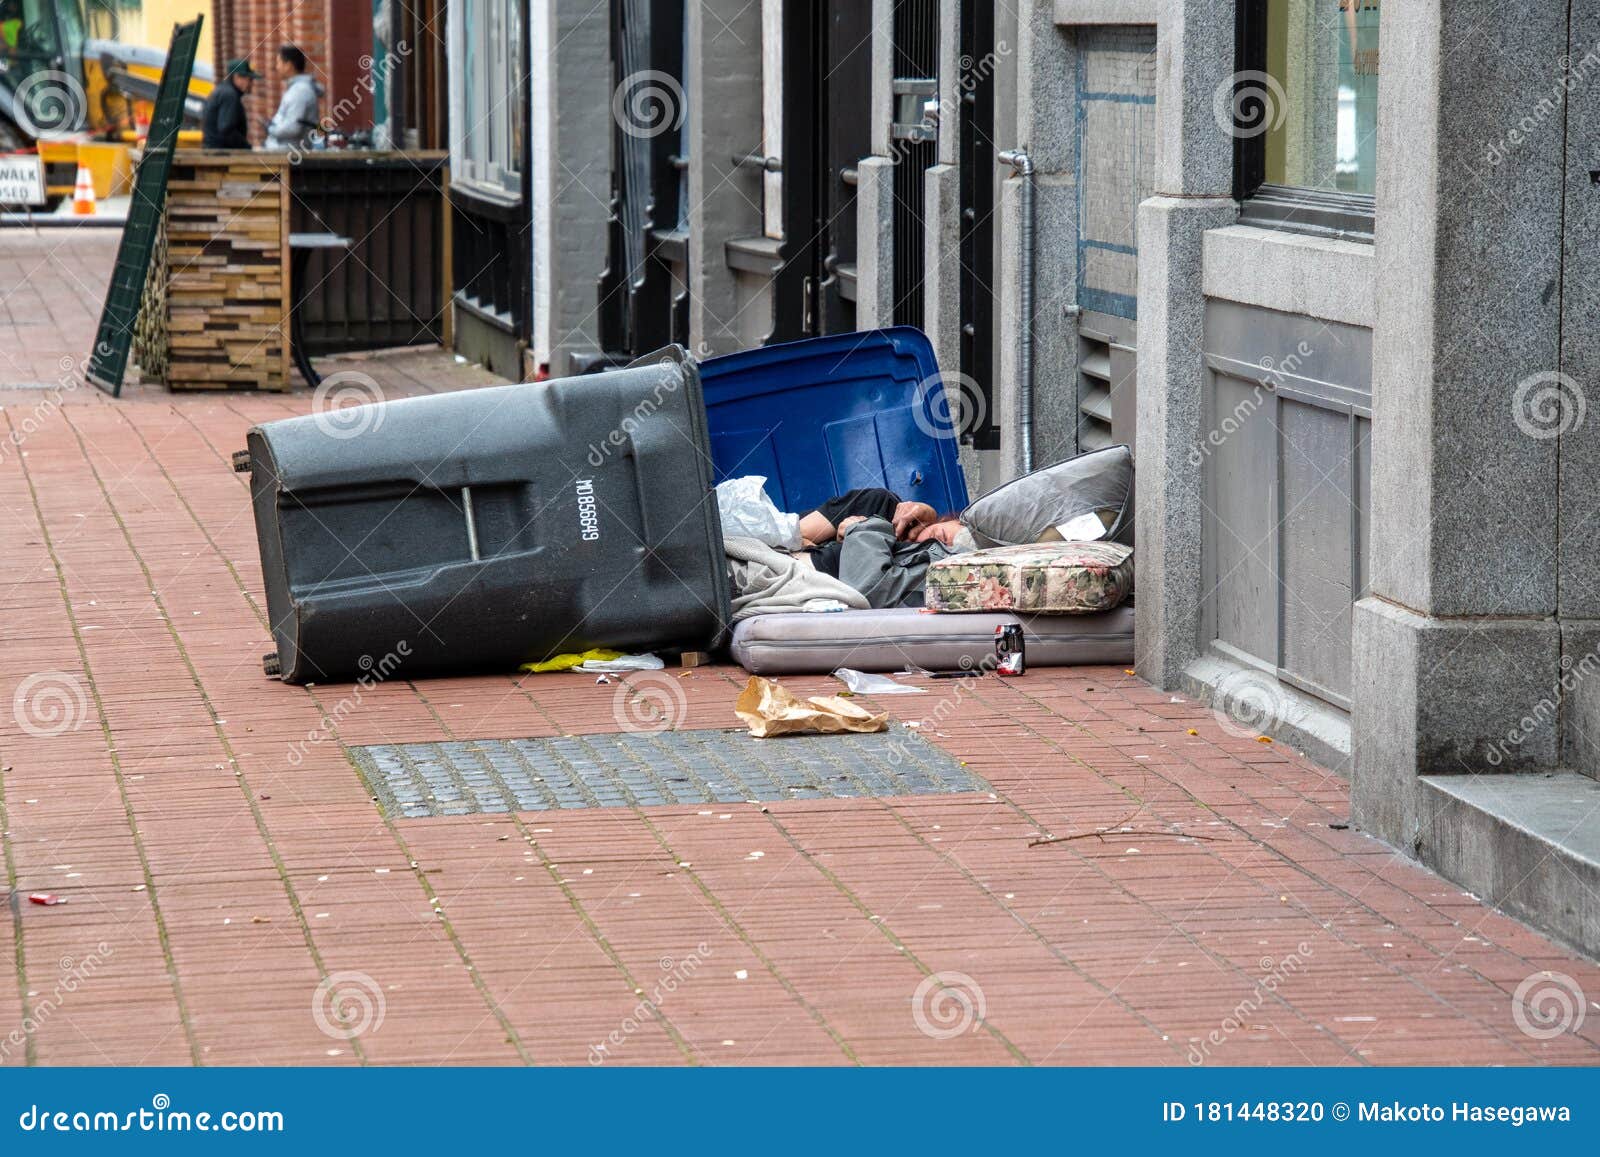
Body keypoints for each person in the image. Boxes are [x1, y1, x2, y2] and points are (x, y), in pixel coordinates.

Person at [264, 43, 323, 151]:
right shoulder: (296, 89)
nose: (276, 67)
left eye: (278, 62)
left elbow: (293, 128)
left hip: (290, 158)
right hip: (285, 154)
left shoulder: (300, 91)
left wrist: (270, 129)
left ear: (288, 65)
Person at [201, 59, 260, 149]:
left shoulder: (223, 90)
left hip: (213, 152)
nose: (251, 83)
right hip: (219, 155)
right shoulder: (230, 95)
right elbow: (226, 129)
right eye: (249, 79)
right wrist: (248, 148)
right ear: (237, 77)